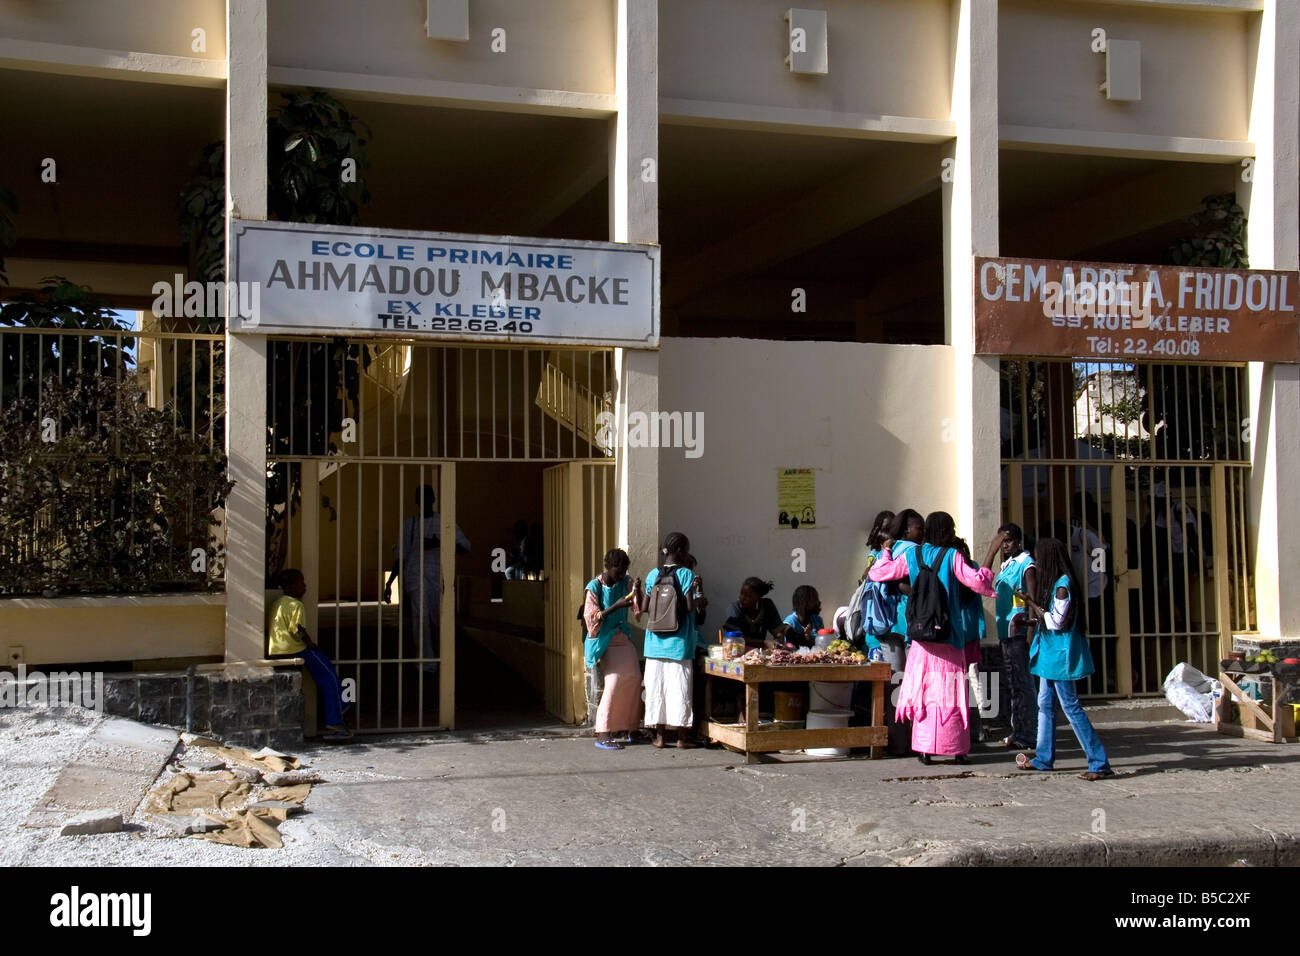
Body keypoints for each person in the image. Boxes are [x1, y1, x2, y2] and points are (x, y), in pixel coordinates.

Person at [869, 512, 1000, 765]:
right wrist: (991, 553)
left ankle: (925, 749)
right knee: (951, 694)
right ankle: (957, 749)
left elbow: (880, 573)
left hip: (921, 638)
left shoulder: (912, 555)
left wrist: (886, 551)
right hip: (949, 637)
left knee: (924, 693)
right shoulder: (952, 557)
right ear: (948, 531)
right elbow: (979, 583)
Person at [1014, 537, 1115, 781]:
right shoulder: (1057, 585)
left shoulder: (1062, 586)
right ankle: (1043, 758)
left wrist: (1030, 602)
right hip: (1051, 655)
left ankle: (1099, 761)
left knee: (1070, 707)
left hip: (1060, 656)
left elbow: (1057, 622)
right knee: (1045, 705)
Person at [382, 484, 470, 674]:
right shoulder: (409, 525)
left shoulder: (445, 522)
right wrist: (389, 584)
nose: (425, 500)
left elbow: (465, 547)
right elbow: (401, 557)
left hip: (439, 578)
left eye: (427, 496)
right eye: (421, 497)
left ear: (433, 499)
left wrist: (440, 542)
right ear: (417, 501)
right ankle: (426, 662)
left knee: (440, 620)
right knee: (420, 618)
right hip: (416, 578)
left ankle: (445, 658)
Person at [267, 568, 351, 741]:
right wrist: (310, 643)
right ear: (290, 587)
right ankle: (337, 717)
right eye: (301, 583)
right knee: (329, 676)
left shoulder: (278, 602)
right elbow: (297, 630)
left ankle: (341, 706)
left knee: (325, 672)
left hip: (277, 650)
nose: (305, 587)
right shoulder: (296, 604)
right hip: (296, 648)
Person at [640, 532, 703, 749]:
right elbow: (689, 607)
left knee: (657, 690)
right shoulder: (686, 575)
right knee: (680, 689)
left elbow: (646, 607)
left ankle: (659, 737)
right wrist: (698, 594)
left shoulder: (652, 575)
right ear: (680, 551)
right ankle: (680, 738)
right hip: (678, 644)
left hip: (654, 643)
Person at [584, 549, 645, 751]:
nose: (621, 576)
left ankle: (631, 728)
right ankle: (603, 731)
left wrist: (637, 590)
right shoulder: (594, 587)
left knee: (635, 677)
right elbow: (592, 618)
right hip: (603, 640)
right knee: (615, 679)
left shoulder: (625, 582)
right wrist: (615, 607)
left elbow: (638, 609)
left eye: (624, 572)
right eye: (618, 572)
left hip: (621, 637)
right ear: (608, 568)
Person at [993, 522, 1038, 750]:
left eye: (1008, 540)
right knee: (1013, 684)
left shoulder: (1026, 564)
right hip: (1006, 632)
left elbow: (1032, 598)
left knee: (1023, 684)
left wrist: (1030, 632)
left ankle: (1028, 734)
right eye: (1002, 540)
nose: (1005, 545)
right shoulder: (1006, 565)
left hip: (1018, 631)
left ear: (1019, 541)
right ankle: (1017, 730)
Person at [724, 577, 786, 647]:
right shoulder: (734, 608)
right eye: (741, 593)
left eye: (748, 596)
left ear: (758, 598)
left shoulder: (767, 605)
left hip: (759, 654)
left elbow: (779, 632)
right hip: (737, 652)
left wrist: (778, 640)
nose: (742, 598)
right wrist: (764, 643)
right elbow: (736, 639)